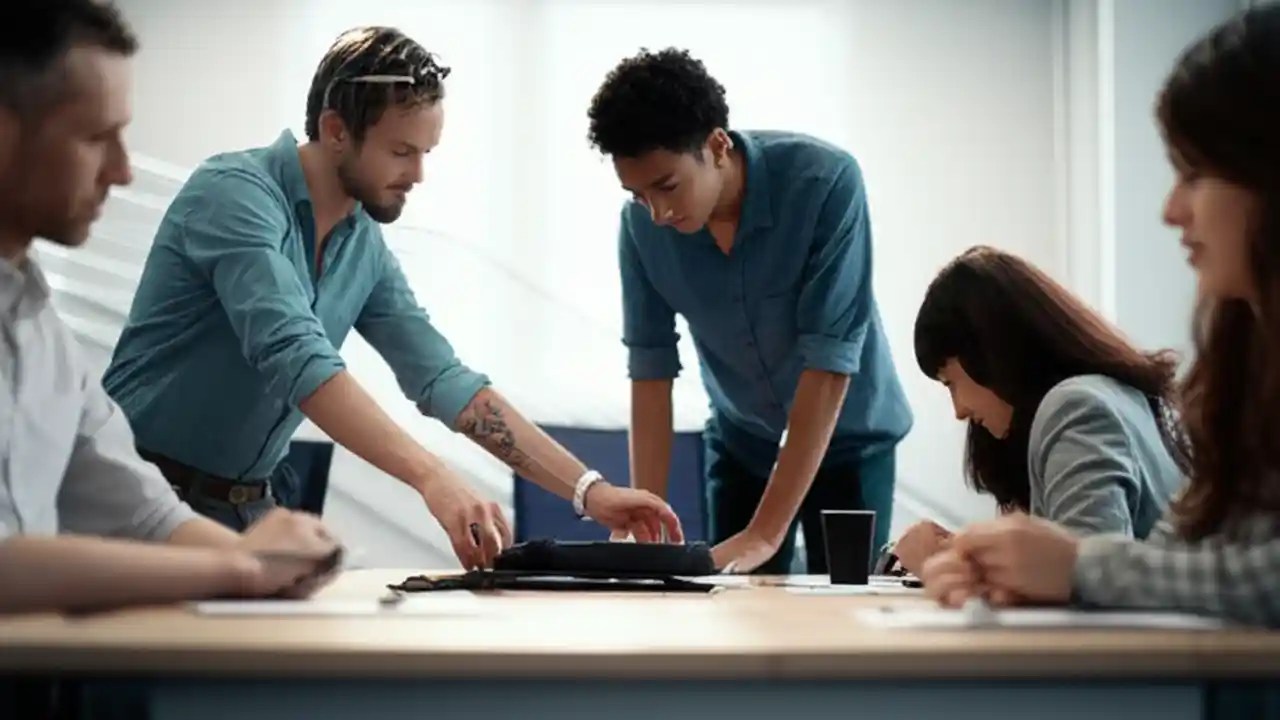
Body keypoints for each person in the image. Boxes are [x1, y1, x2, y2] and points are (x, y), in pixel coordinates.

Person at [101, 26, 683, 568]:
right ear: (335, 132)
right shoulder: (235, 195)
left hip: (249, 507)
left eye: (427, 152)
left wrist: (590, 491)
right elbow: (294, 354)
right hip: (137, 494)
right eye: (403, 152)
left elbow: (442, 378)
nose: (419, 174)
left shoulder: (364, 245)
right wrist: (432, 476)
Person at [920, 4, 1280, 628]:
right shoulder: (1245, 356)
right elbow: (1185, 551)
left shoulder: (1078, 402)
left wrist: (1077, 568)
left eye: (1195, 174)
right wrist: (1017, 564)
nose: (1171, 210)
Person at [0, 0, 339, 615]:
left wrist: (272, 566)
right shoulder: (238, 193)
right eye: (95, 137)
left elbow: (142, 511)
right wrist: (237, 567)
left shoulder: (35, 321)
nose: (124, 171)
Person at [587, 48, 912, 573]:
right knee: (733, 610)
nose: (658, 212)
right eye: (638, 194)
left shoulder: (825, 183)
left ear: (716, 146)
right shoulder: (641, 227)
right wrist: (644, 519)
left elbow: (829, 362)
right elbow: (651, 370)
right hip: (743, 441)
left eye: (667, 186)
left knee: (844, 613)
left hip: (849, 437)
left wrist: (766, 531)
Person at [890, 246, 1186, 575]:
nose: (959, 411)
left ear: (989, 353)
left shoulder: (1076, 406)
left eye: (950, 382)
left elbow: (1080, 579)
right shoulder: (1116, 397)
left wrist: (945, 565)